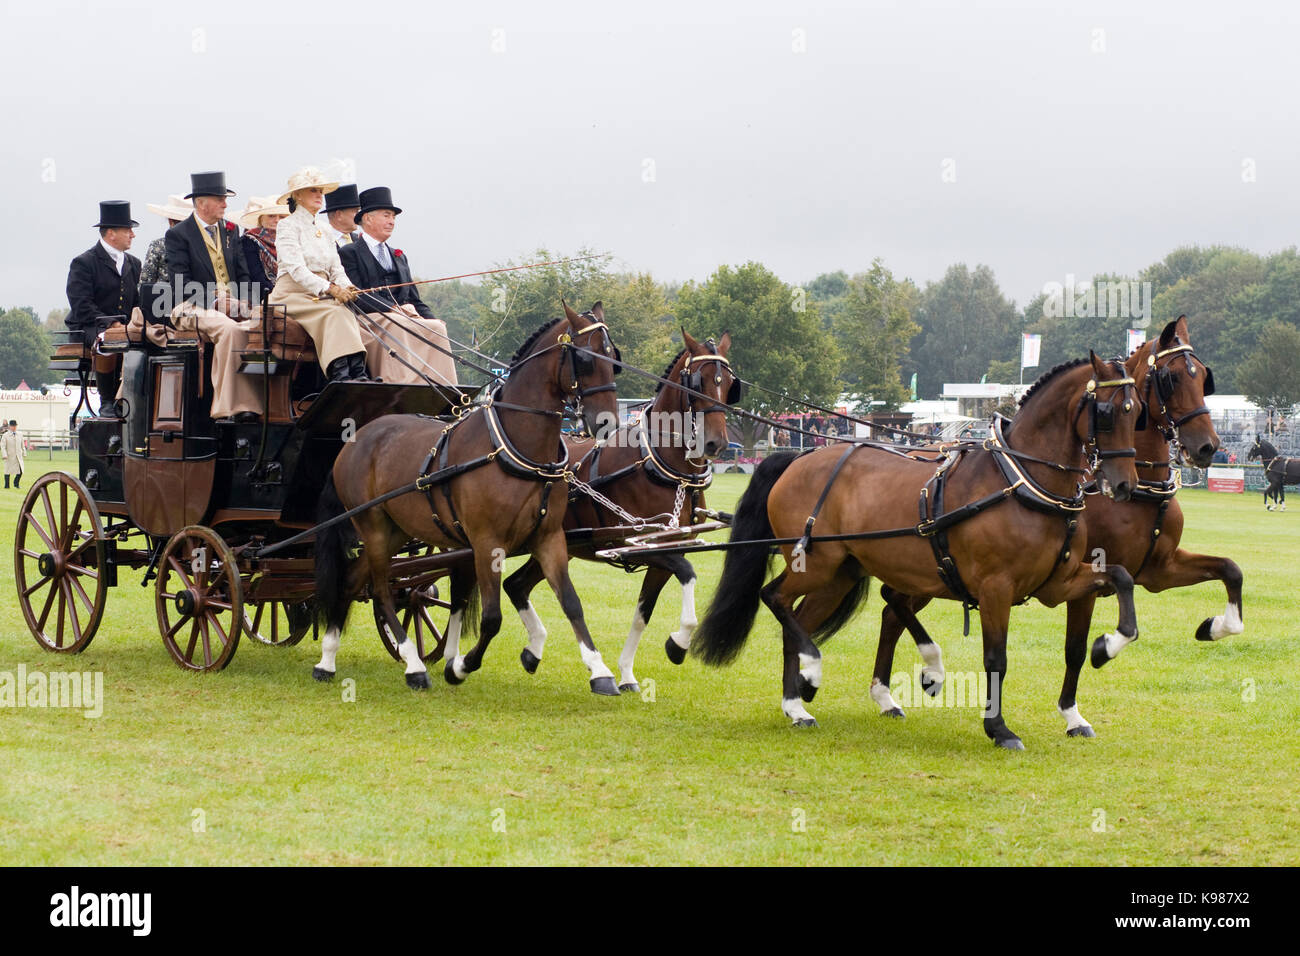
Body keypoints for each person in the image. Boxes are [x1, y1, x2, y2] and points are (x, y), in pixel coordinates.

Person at [164, 171, 265, 422]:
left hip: (233, 303)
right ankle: (228, 407)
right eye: (220, 199)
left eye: (225, 198)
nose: (225, 204)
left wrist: (244, 303)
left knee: (269, 322)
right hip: (189, 305)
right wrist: (217, 302)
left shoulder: (231, 231)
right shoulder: (178, 235)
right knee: (229, 328)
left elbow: (243, 275)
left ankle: (272, 403)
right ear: (201, 203)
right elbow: (180, 284)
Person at [339, 186, 459, 385]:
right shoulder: (349, 252)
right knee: (399, 323)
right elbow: (356, 294)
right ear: (367, 218)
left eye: (393, 217)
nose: (392, 222)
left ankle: (444, 388)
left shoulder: (399, 256)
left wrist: (431, 318)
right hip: (368, 318)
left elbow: (413, 297)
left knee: (436, 328)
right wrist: (391, 309)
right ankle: (400, 384)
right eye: (387, 215)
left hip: (402, 314)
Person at [268, 167, 370, 383]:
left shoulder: (324, 229)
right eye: (313, 190)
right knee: (335, 312)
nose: (319, 196)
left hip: (319, 295)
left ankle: (358, 374)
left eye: (320, 191)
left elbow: (336, 268)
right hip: (291, 296)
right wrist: (331, 288)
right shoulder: (287, 226)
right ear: (298, 195)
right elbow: (296, 269)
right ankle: (340, 374)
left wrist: (347, 287)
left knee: (345, 310)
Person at [65, 200, 142, 403]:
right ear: (111, 233)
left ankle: (133, 398)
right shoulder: (84, 263)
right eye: (128, 230)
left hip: (124, 327)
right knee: (110, 339)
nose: (133, 234)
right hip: (88, 327)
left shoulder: (134, 263)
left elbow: (137, 302)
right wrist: (111, 324)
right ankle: (107, 400)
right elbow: (81, 305)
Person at [238, 196, 289, 305]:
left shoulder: (292, 240)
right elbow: (257, 277)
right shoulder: (249, 240)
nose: (277, 220)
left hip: (291, 294)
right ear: (261, 219)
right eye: (271, 216)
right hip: (264, 298)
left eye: (282, 217)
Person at [3, 420, 24, 489]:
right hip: (9, 456)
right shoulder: (5, 435)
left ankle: (16, 484)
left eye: (15, 426)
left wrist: (24, 452)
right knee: (7, 470)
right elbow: (3, 446)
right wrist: (4, 454)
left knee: (20, 470)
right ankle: (7, 485)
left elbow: (22, 444)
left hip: (18, 456)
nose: (14, 427)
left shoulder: (20, 434)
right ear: (9, 426)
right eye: (12, 426)